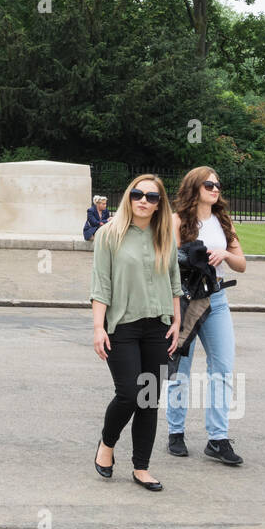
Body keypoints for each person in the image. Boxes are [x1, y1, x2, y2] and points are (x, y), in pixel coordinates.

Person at [91, 175, 182, 491]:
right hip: (122, 326)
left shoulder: (165, 236)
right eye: (138, 194)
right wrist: (98, 328)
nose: (144, 200)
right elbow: (101, 285)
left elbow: (174, 282)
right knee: (129, 393)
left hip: (157, 326)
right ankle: (107, 443)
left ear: (159, 205)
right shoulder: (109, 234)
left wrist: (176, 322)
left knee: (148, 399)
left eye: (152, 197)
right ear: (128, 197)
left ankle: (141, 467)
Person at [165, 167, 247, 466]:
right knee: (180, 371)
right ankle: (175, 431)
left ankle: (217, 438)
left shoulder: (224, 222)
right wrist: (191, 256)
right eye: (209, 184)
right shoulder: (177, 221)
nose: (216, 189)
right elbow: (166, 264)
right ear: (195, 187)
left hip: (217, 299)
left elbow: (242, 264)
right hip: (187, 300)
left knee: (223, 369)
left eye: (218, 185)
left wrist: (224, 255)